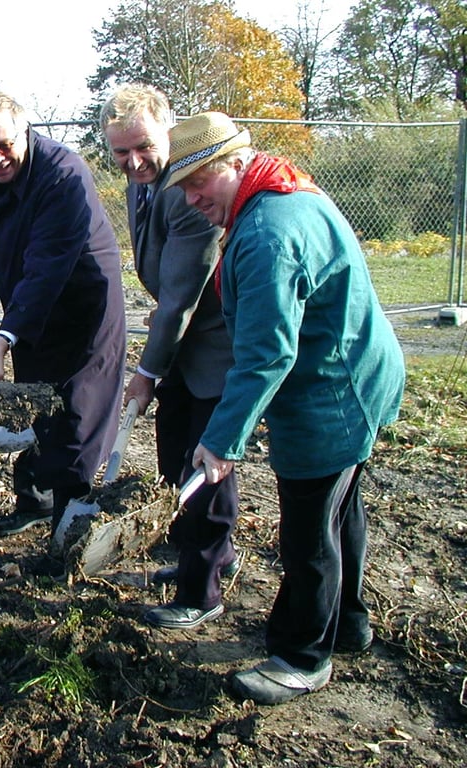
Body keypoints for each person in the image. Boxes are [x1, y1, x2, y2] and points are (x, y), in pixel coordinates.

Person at [165, 111, 405, 704]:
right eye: (184, 187)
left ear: (236, 163)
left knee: (306, 532)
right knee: (339, 510)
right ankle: (347, 623)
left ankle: (302, 656)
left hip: (332, 394)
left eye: (201, 182)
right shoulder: (282, 190)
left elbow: (267, 354)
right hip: (362, 376)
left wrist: (222, 440)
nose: (192, 198)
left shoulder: (268, 233)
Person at [0, 91, 126, 572]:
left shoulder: (64, 173)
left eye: (4, 144)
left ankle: (66, 546)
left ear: (25, 131)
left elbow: (50, 265)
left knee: (74, 415)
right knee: (34, 402)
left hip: (81, 305)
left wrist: (5, 338)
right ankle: (34, 500)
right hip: (27, 298)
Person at [99, 84, 240, 629]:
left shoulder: (190, 193)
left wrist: (146, 371)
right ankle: (195, 558)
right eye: (120, 152)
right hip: (182, 342)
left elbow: (180, 297)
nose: (133, 162)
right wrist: (156, 368)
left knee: (207, 465)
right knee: (173, 450)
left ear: (168, 131)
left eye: (143, 147)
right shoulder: (144, 184)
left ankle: (201, 592)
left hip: (215, 345)